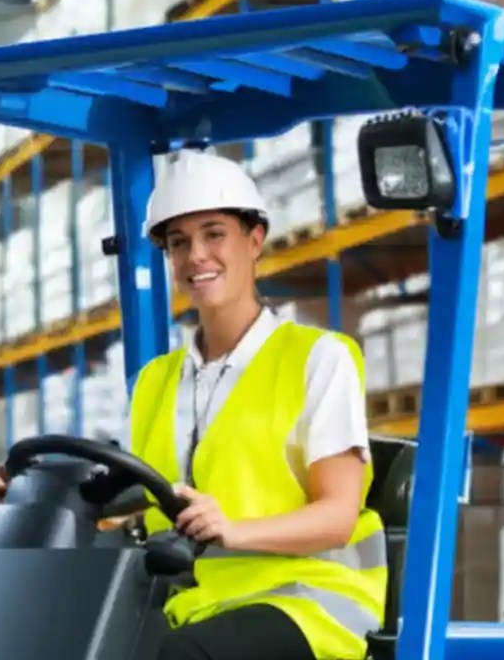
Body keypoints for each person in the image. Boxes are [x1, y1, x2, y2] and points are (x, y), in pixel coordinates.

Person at [126, 150, 386, 660]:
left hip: (308, 598)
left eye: (214, 233)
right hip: (200, 601)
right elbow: (143, 495)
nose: (195, 255)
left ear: (255, 239)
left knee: (180, 659)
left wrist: (235, 530)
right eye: (178, 243)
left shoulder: (317, 358)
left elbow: (337, 517)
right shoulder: (154, 381)